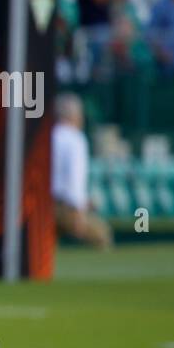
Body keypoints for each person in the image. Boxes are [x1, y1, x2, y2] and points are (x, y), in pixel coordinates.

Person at [51, 93, 112, 249]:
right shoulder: (75, 138)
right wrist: (78, 212)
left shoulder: (48, 135)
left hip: (42, 207)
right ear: (75, 115)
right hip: (65, 208)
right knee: (102, 235)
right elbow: (74, 179)